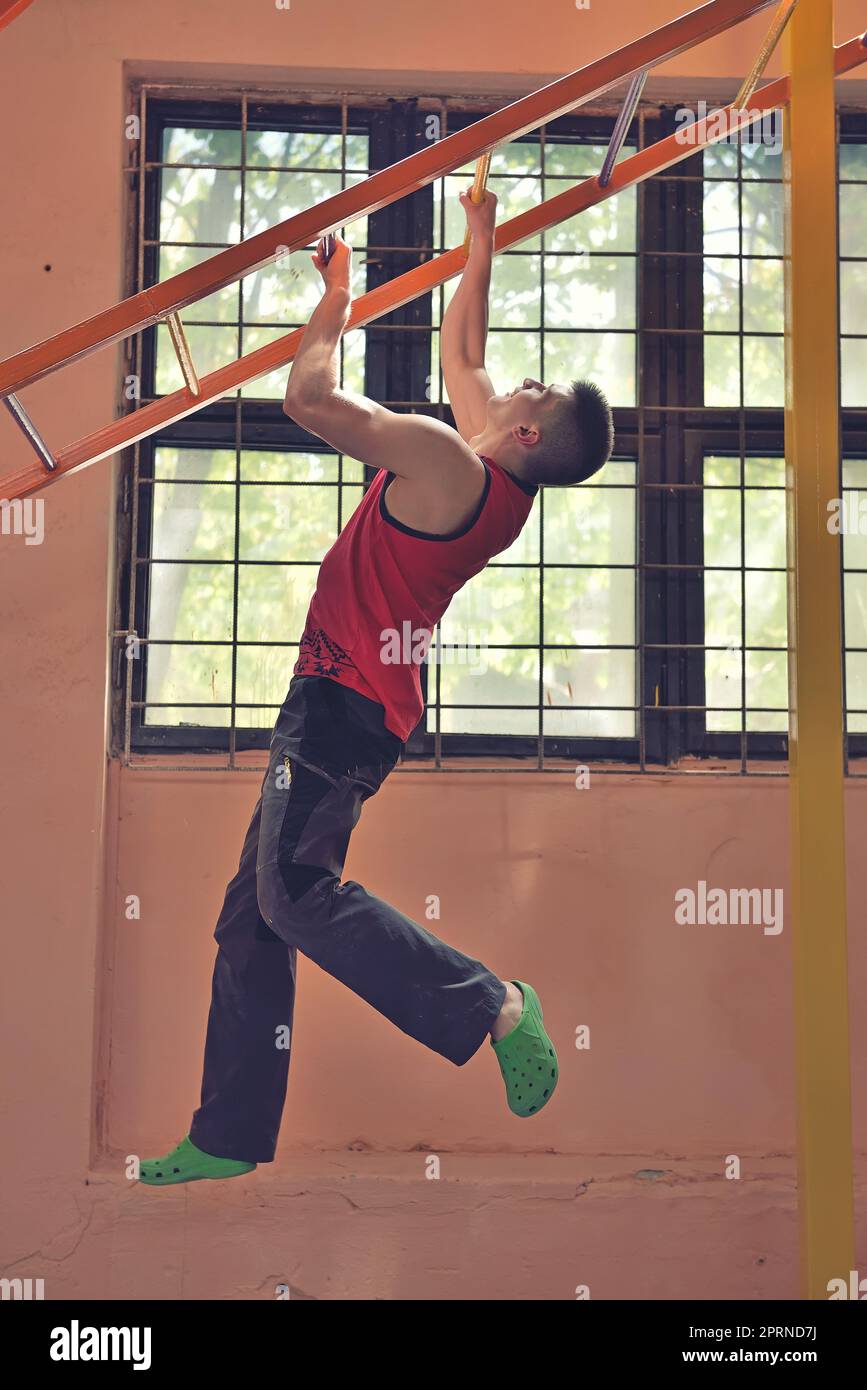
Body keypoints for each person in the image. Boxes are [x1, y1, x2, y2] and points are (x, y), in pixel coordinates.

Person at [139, 189, 614, 1185]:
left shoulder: (448, 463)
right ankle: (230, 1131)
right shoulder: (498, 478)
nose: (509, 386)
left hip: (341, 704)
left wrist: (337, 300)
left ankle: (494, 1005)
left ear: (526, 434)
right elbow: (464, 352)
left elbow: (308, 401)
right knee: (254, 910)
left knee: (294, 893)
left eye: (529, 394)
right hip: (352, 702)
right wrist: (480, 240)